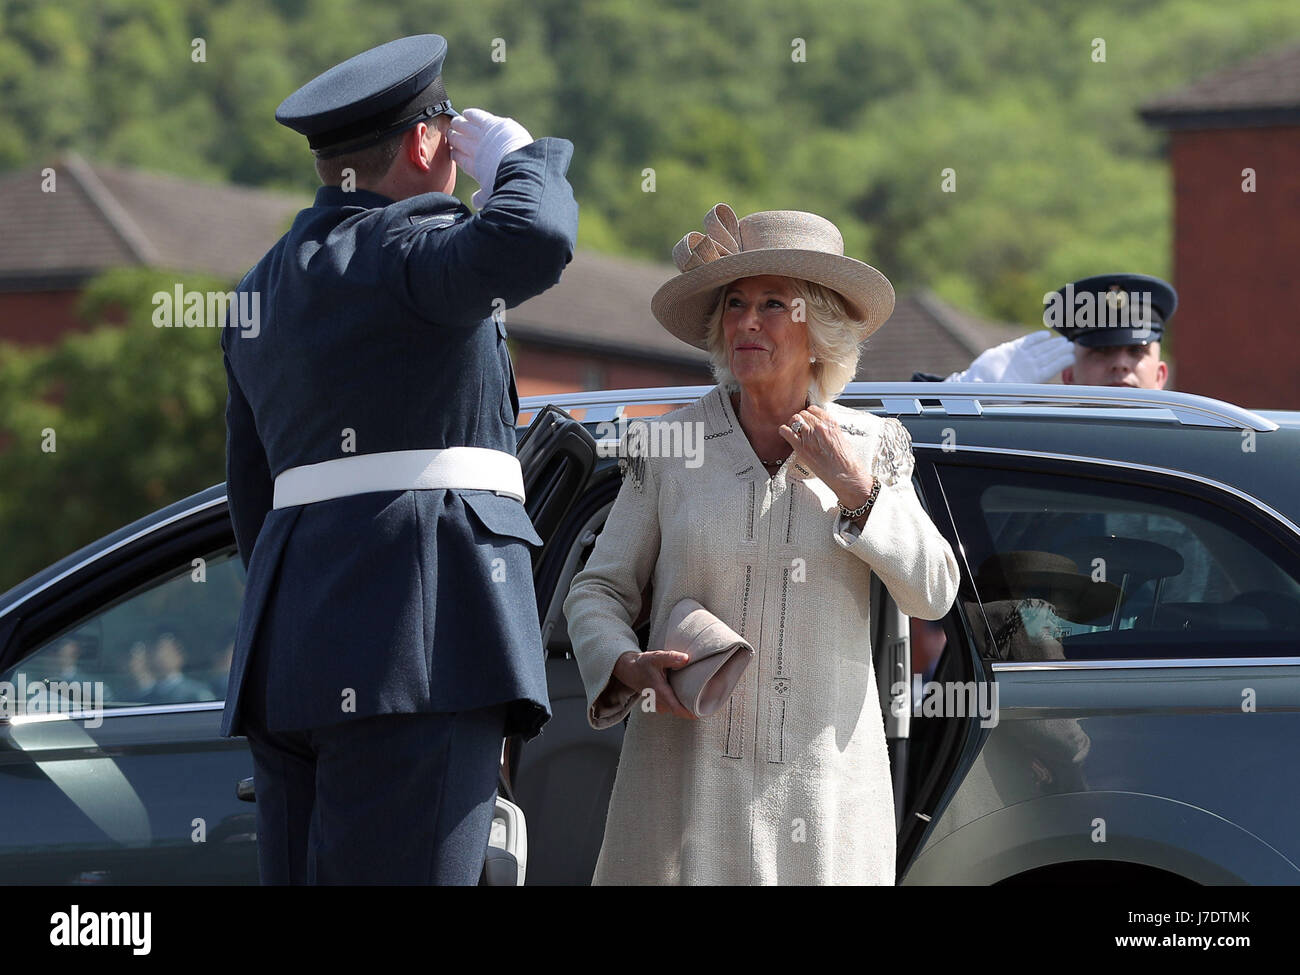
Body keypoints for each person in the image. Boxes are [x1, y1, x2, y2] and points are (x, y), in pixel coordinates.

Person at [219, 34, 578, 884]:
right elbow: (535, 238)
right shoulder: (412, 248)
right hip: (422, 650)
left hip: (294, 654)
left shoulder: (261, 288)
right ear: (425, 144)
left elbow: (250, 494)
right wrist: (520, 159)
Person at [563, 203, 960, 884]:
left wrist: (854, 489)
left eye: (774, 303)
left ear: (820, 330)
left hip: (826, 805)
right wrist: (627, 662)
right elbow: (596, 591)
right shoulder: (667, 447)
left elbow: (933, 591)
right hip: (683, 801)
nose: (747, 320)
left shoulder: (872, 447)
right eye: (735, 303)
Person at [914, 273, 1176, 389]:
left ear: (1161, 374)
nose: (1120, 364)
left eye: (1136, 351)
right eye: (1102, 352)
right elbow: (899, 443)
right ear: (1069, 376)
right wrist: (964, 396)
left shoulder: (1194, 451)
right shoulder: (1039, 448)